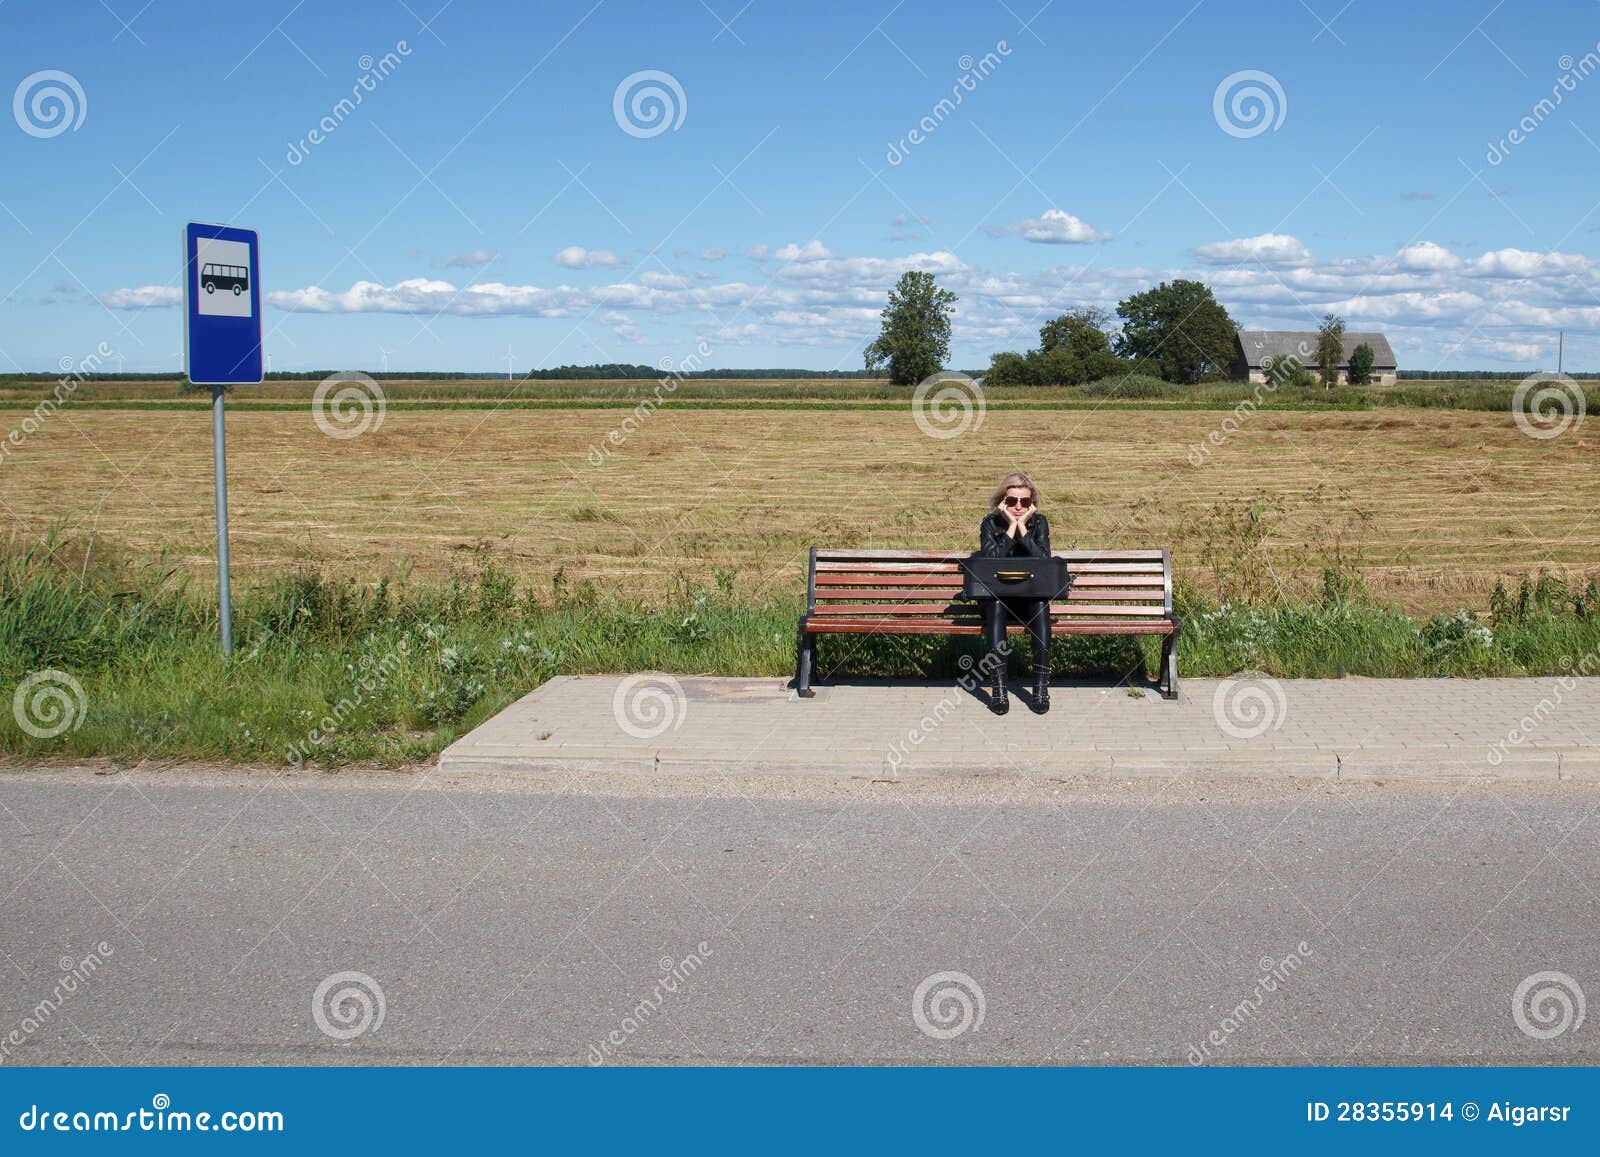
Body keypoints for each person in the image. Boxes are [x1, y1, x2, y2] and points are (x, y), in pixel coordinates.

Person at [977, 471, 1052, 715]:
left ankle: (1040, 688)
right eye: (1011, 501)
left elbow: (1043, 560)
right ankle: (999, 689)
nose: (1018, 506)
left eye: (1025, 502)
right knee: (996, 604)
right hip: (998, 599)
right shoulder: (990, 524)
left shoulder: (1039, 523)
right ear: (1002, 501)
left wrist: (1024, 530)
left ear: (1032, 504)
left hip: (1028, 600)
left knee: (1041, 603)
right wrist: (1011, 527)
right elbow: (990, 561)